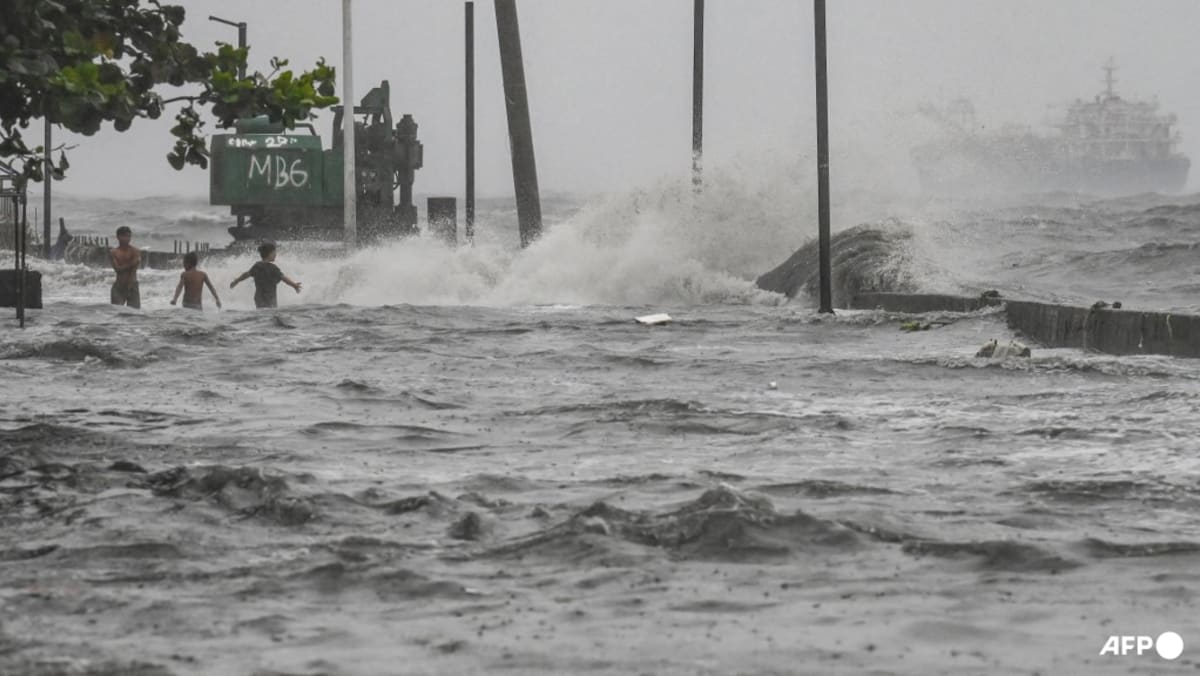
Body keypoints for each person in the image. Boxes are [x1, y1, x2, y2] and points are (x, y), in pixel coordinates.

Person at [229, 242, 301, 308]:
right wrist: (294, 285)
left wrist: (236, 281)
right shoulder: (273, 268)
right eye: (274, 253)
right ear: (269, 254)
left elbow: (246, 274)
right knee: (270, 314)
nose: (275, 255)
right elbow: (284, 278)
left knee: (261, 314)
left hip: (258, 298)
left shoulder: (257, 266)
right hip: (270, 298)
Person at [109, 225, 141, 309]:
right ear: (118, 237)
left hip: (132, 286)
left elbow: (133, 270)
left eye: (129, 236)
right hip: (119, 286)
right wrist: (131, 264)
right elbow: (117, 269)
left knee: (135, 315)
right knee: (117, 312)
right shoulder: (114, 252)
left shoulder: (135, 251)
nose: (128, 239)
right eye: (125, 236)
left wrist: (130, 285)